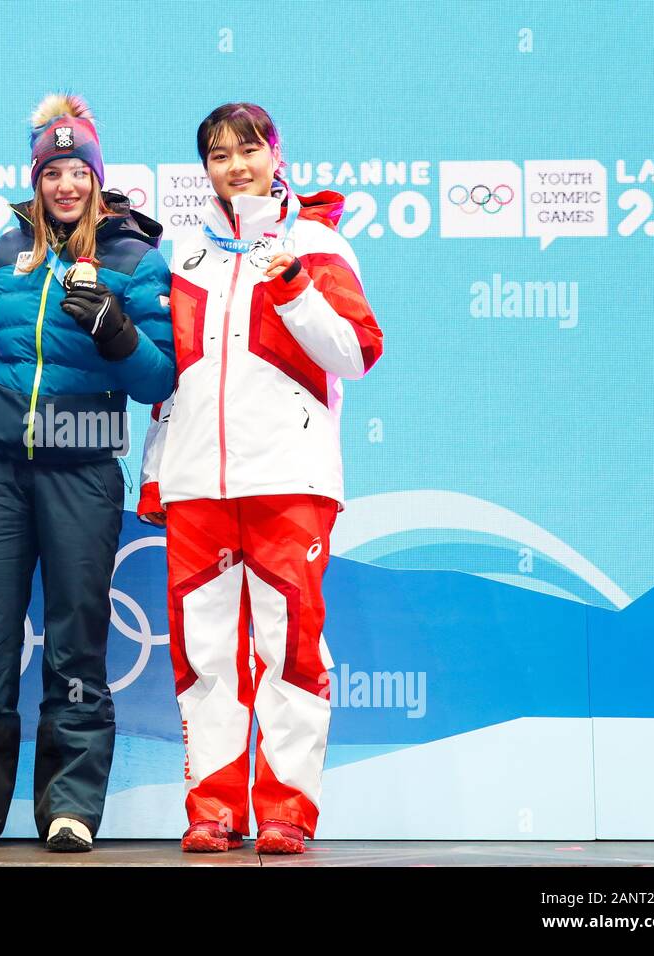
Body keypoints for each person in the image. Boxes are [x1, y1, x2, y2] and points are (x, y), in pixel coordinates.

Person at [0, 93, 176, 853]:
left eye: (77, 170)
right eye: (52, 171)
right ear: (35, 179)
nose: (65, 184)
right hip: (0, 467)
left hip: (84, 468)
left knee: (76, 641)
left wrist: (114, 328)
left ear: (98, 177)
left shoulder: (135, 257)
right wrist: (3, 398)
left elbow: (158, 380)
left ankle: (70, 806)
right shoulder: (4, 252)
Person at [138, 102, 383, 854]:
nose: (236, 165)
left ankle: (287, 813)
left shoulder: (315, 242)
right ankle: (212, 810)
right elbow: (173, 375)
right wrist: (157, 474)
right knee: (205, 656)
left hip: (289, 480)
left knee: (290, 651)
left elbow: (354, 352)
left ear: (277, 154)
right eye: (219, 155)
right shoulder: (184, 254)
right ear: (204, 169)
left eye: (249, 149)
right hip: (197, 488)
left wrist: (294, 285)